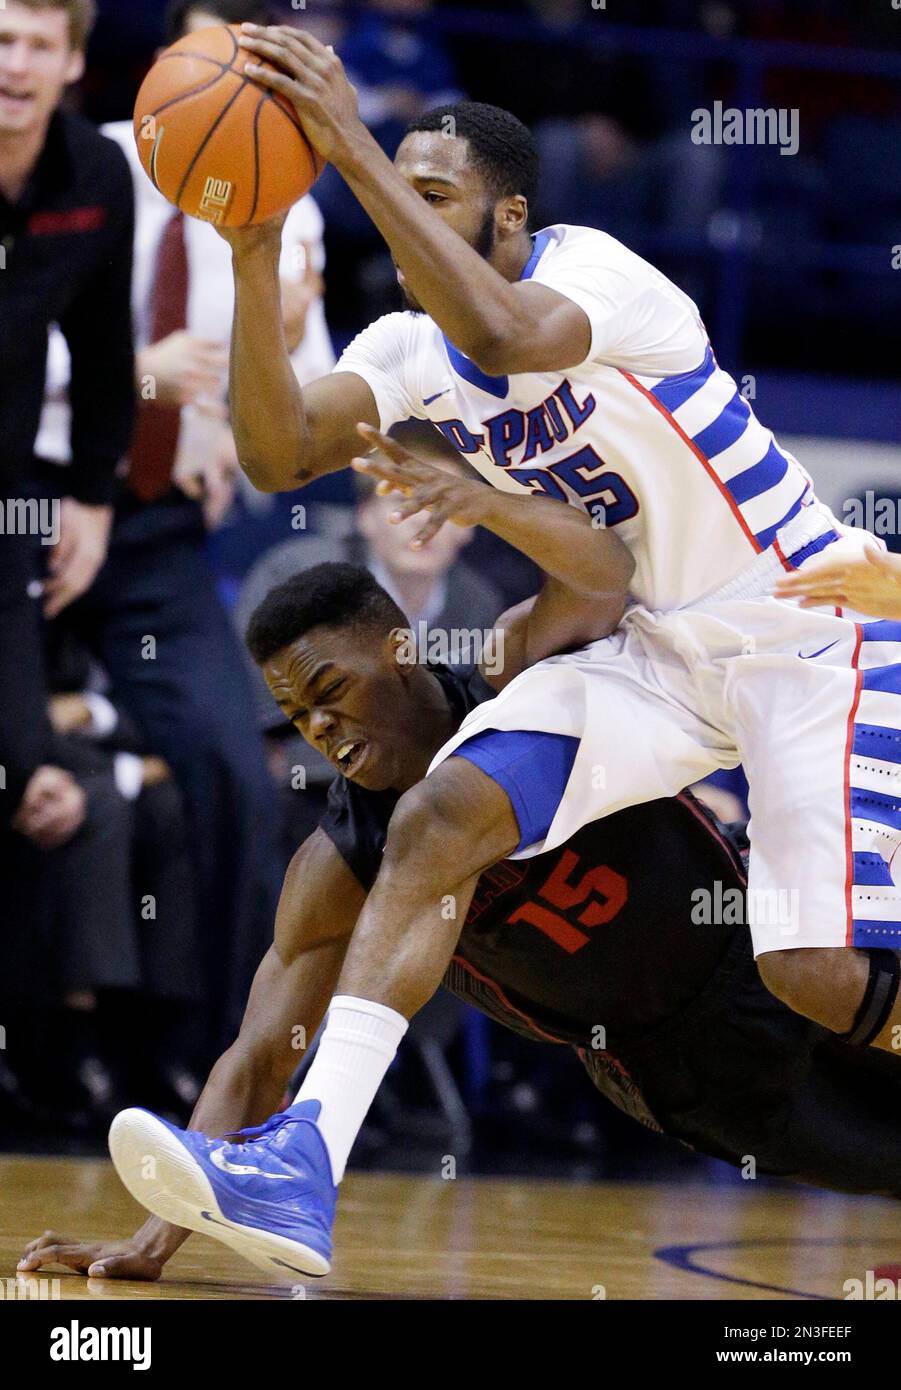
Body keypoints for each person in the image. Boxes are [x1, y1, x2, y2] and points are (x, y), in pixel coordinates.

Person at [213, 31, 901, 1049]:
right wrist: (252, 256)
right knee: (442, 810)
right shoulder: (406, 350)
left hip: (795, 620)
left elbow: (502, 337)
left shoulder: (595, 271)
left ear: (511, 214)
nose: (403, 217)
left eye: (433, 196)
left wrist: (349, 143)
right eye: (398, 193)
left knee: (815, 974)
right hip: (654, 648)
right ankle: (313, 1132)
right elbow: (279, 457)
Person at [20, 509, 901, 1282]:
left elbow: (600, 574)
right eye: (298, 714)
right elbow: (258, 1059)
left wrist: (486, 495)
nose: (320, 727)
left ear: (400, 651)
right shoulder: (339, 863)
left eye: (330, 691)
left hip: (769, 932)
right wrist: (154, 1240)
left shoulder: (512, 679)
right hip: (673, 1063)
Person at [37, 0, 333, 1053]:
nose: (225, 83)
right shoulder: (84, 163)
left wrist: (277, 355)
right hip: (37, 501)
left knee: (232, 776)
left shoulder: (288, 196)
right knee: (30, 767)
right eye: (204, 55)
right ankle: (41, 1049)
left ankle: (216, 1064)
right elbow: (21, 342)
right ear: (168, 60)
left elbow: (306, 406)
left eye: (249, 66)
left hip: (156, 528)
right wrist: (134, 378)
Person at [0, 0, 134, 828]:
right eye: (2, 41)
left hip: (8, 495)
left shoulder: (96, 174)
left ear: (72, 63)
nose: (16, 65)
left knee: (23, 771)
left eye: (38, 46)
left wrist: (90, 497)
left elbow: (103, 353)